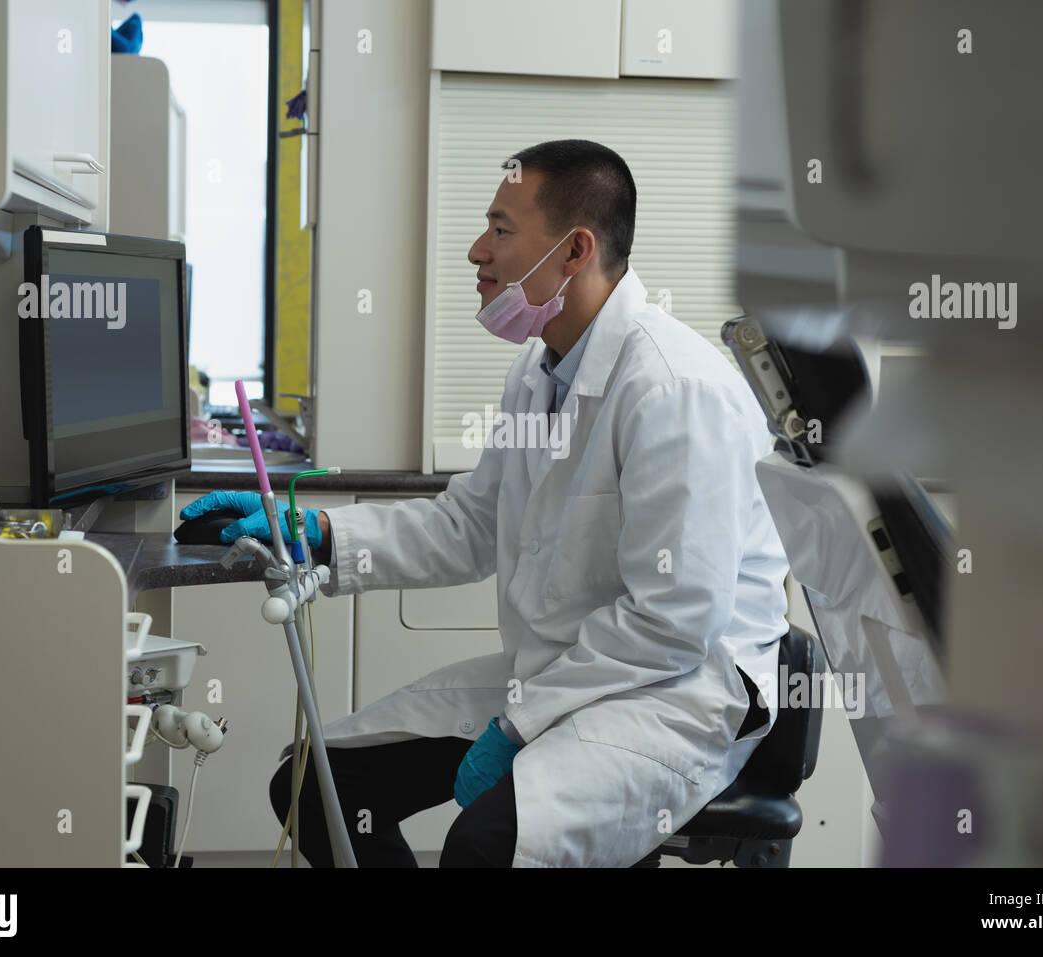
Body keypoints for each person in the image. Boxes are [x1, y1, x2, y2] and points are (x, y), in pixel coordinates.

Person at [183, 139, 789, 867]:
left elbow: (676, 619)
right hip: (569, 668)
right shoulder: (538, 373)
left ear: (574, 250)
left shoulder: (674, 389)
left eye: (501, 229)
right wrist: (315, 532)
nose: (478, 250)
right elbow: (471, 523)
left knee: (485, 846)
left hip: (679, 694)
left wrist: (517, 726)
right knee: (317, 786)